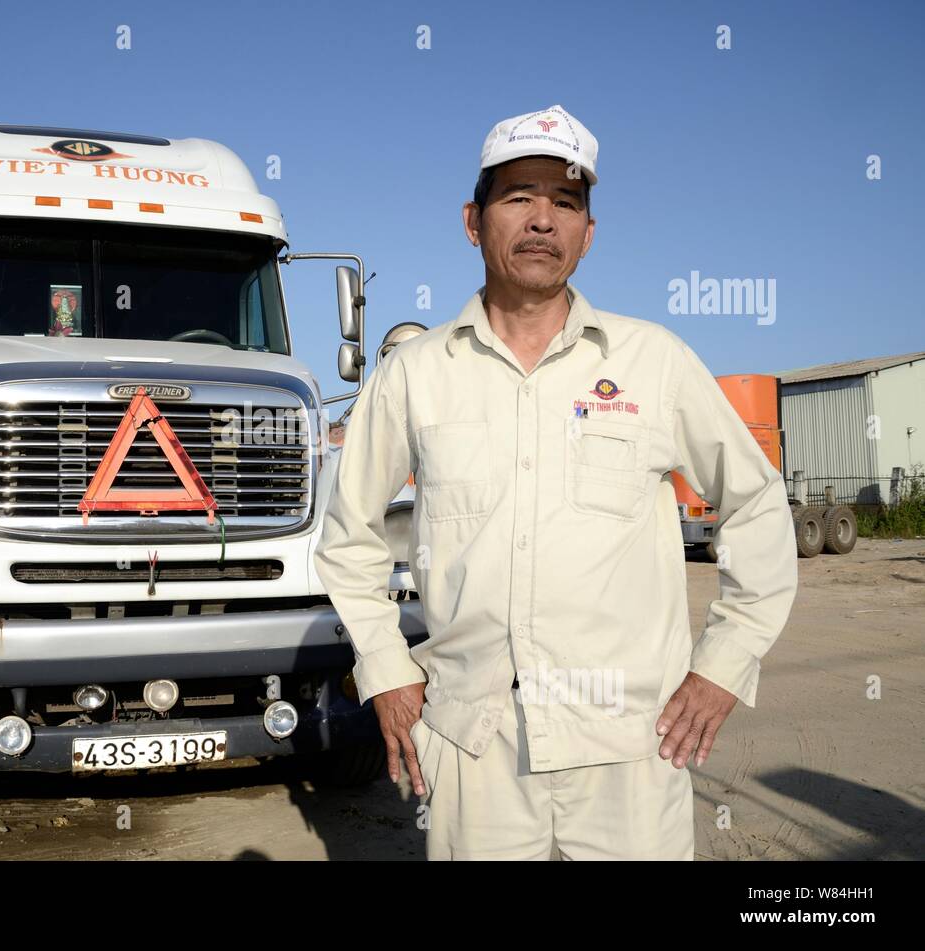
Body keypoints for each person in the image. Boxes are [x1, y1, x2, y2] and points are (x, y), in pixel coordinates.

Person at [313, 104, 798, 860]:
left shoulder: (653, 362)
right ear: (473, 220)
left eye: (566, 202)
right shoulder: (415, 375)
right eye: (519, 197)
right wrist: (384, 668)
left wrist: (723, 666)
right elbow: (347, 536)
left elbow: (758, 504)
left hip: (633, 751)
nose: (543, 219)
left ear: (588, 233)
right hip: (476, 750)